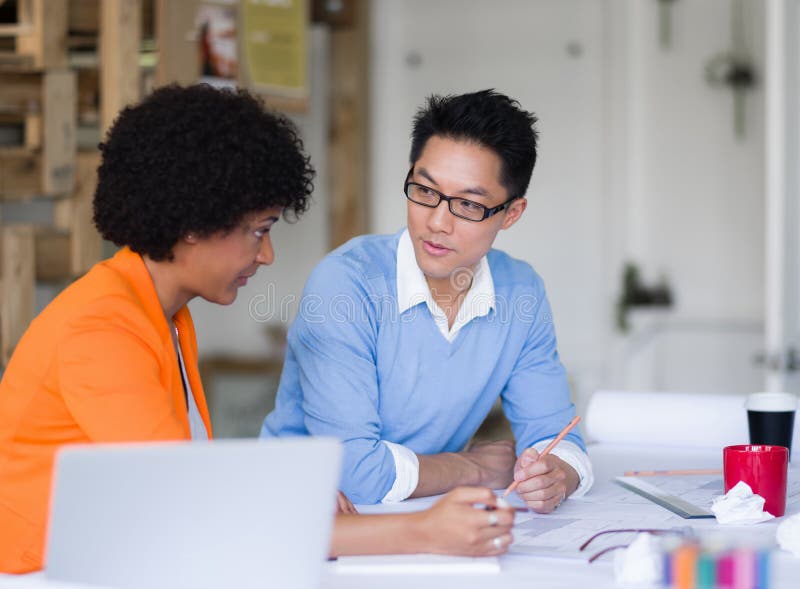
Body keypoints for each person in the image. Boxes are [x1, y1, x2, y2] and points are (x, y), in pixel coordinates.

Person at [0, 84, 514, 574]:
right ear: (194, 224)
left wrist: (284, 493)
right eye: (259, 231)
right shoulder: (104, 332)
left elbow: (184, 479)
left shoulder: (160, 312)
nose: (266, 255)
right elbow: (192, 517)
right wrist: (422, 531)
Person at [261, 89, 594, 509]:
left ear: (512, 213)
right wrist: (469, 469)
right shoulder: (347, 283)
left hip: (416, 513)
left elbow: (558, 435)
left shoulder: (520, 291)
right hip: (297, 512)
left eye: (469, 205)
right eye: (424, 190)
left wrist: (555, 475)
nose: (437, 222)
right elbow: (353, 473)